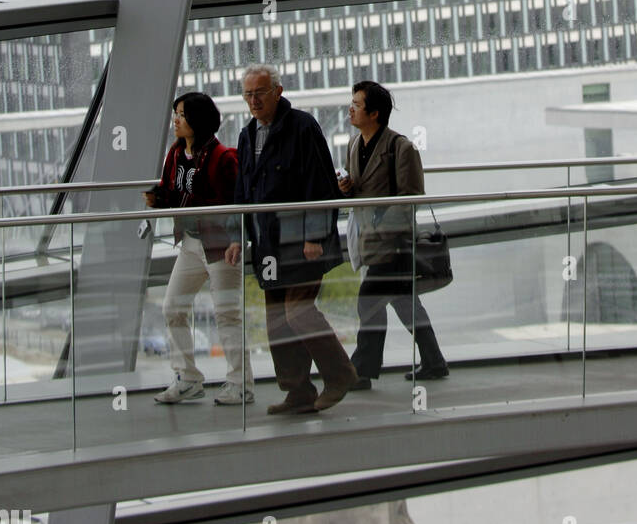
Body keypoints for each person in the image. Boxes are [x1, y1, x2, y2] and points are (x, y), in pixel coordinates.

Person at [224, 66, 357, 413]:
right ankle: (297, 390)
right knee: (276, 321)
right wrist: (238, 236)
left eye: (260, 93)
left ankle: (340, 374)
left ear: (278, 91)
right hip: (267, 246)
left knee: (297, 312)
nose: (253, 101)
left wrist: (314, 236)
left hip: (301, 244)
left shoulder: (302, 126)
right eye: (248, 94)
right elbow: (243, 190)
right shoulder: (247, 134)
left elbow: (319, 184)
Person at [146, 91, 254, 406]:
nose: (175, 120)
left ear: (198, 120)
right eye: (175, 113)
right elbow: (171, 192)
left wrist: (237, 238)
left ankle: (240, 383)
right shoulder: (176, 154)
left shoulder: (222, 158)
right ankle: (188, 377)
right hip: (192, 244)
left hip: (221, 246)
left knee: (227, 314)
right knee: (173, 309)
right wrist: (158, 199)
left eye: (181, 114)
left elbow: (236, 202)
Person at [339, 80, 448, 389]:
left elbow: (411, 198)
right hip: (366, 240)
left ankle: (362, 370)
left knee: (369, 302)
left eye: (357, 105)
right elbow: (358, 194)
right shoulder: (353, 144)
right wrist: (345, 190)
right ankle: (434, 360)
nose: (351, 109)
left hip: (394, 243)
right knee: (404, 303)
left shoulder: (401, 148)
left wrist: (382, 226)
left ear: (374, 113)